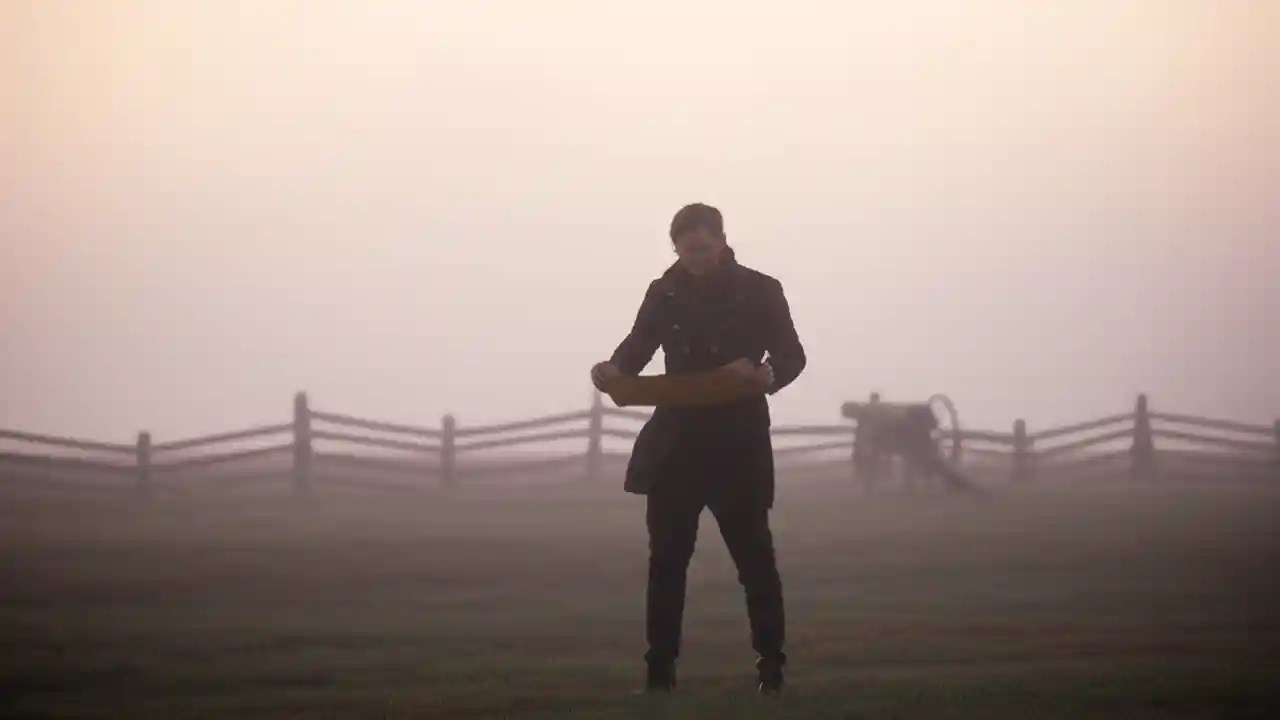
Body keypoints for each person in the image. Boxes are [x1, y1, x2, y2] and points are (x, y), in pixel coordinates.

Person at [590, 203, 806, 695]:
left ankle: (771, 668)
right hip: (676, 447)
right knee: (666, 563)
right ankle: (659, 674)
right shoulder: (662, 292)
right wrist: (612, 370)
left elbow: (792, 355)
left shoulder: (762, 289)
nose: (697, 258)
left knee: (755, 561)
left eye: (704, 249)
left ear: (722, 242)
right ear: (675, 248)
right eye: (687, 251)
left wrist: (769, 376)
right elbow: (638, 346)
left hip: (738, 445)